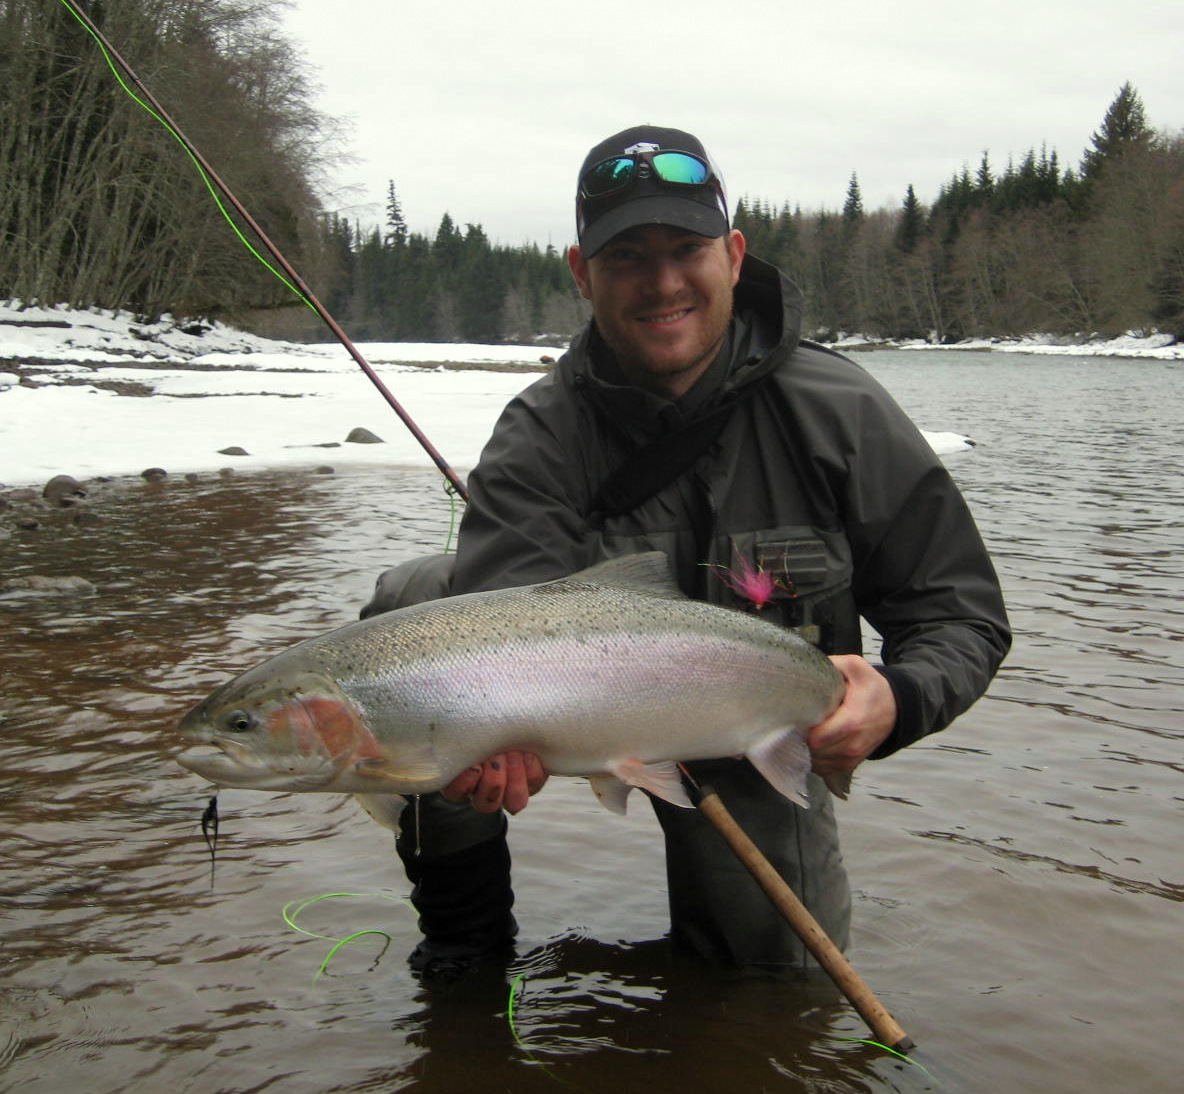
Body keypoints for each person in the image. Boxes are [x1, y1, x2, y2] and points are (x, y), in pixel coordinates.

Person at [362, 124, 1011, 978]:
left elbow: (960, 616)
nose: (663, 282)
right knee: (418, 612)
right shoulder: (539, 436)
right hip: (591, 714)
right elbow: (501, 626)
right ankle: (466, 945)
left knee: (778, 986)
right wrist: (489, 745)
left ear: (734, 257)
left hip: (752, 730)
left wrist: (899, 697)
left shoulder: (839, 412)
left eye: (686, 250)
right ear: (581, 272)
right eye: (627, 256)